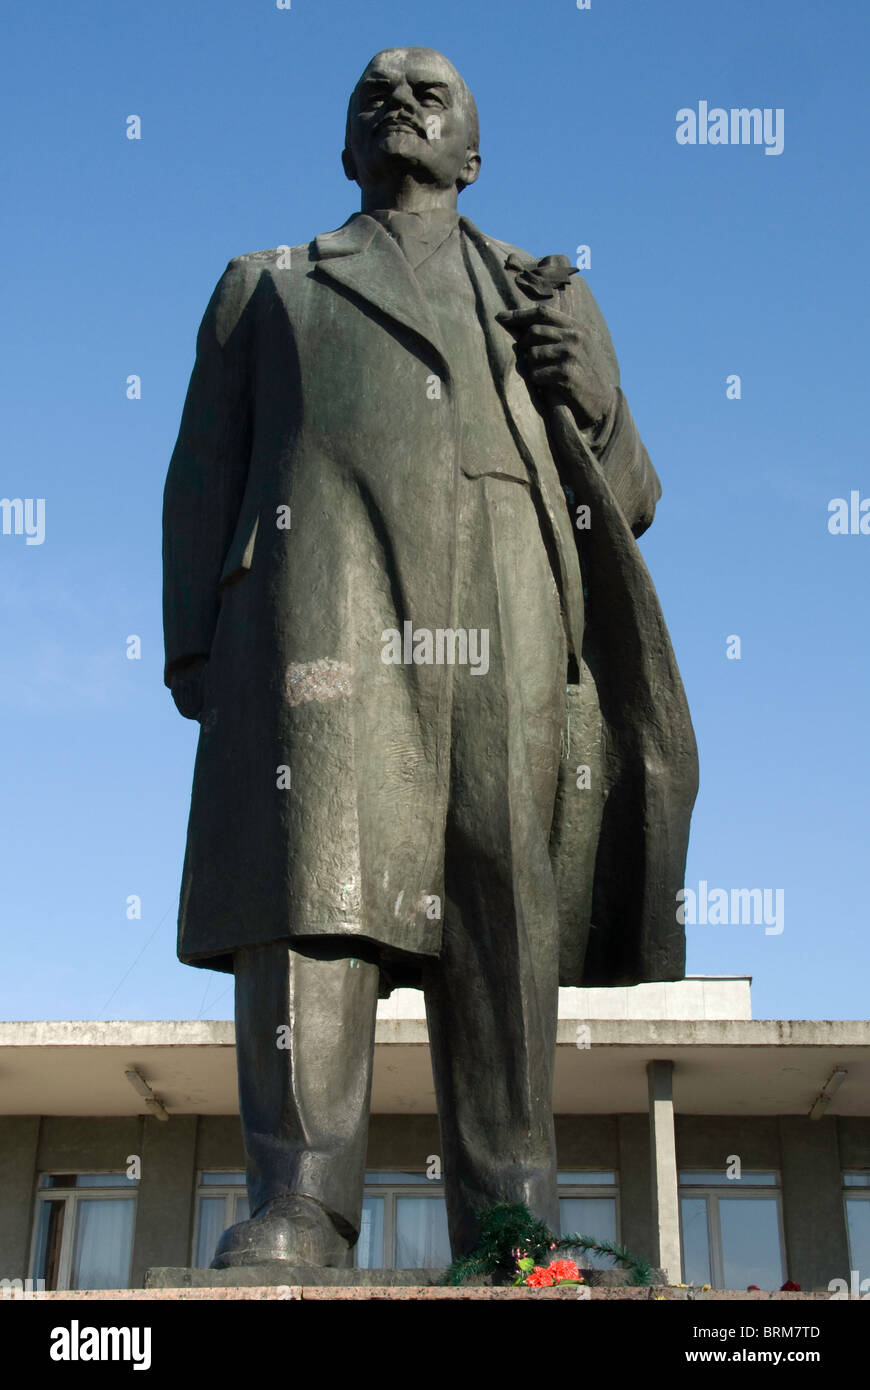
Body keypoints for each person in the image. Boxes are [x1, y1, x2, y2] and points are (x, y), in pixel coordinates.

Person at [162, 46, 697, 1269]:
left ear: (471, 153)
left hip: (508, 594)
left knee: (504, 899)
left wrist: (600, 398)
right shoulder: (271, 283)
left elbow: (632, 499)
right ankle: (301, 1202)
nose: (399, 100)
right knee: (315, 890)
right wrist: (197, 635)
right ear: (348, 150)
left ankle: (509, 1219)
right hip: (321, 590)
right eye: (373, 92)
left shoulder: (540, 291)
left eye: (430, 92)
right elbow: (201, 476)